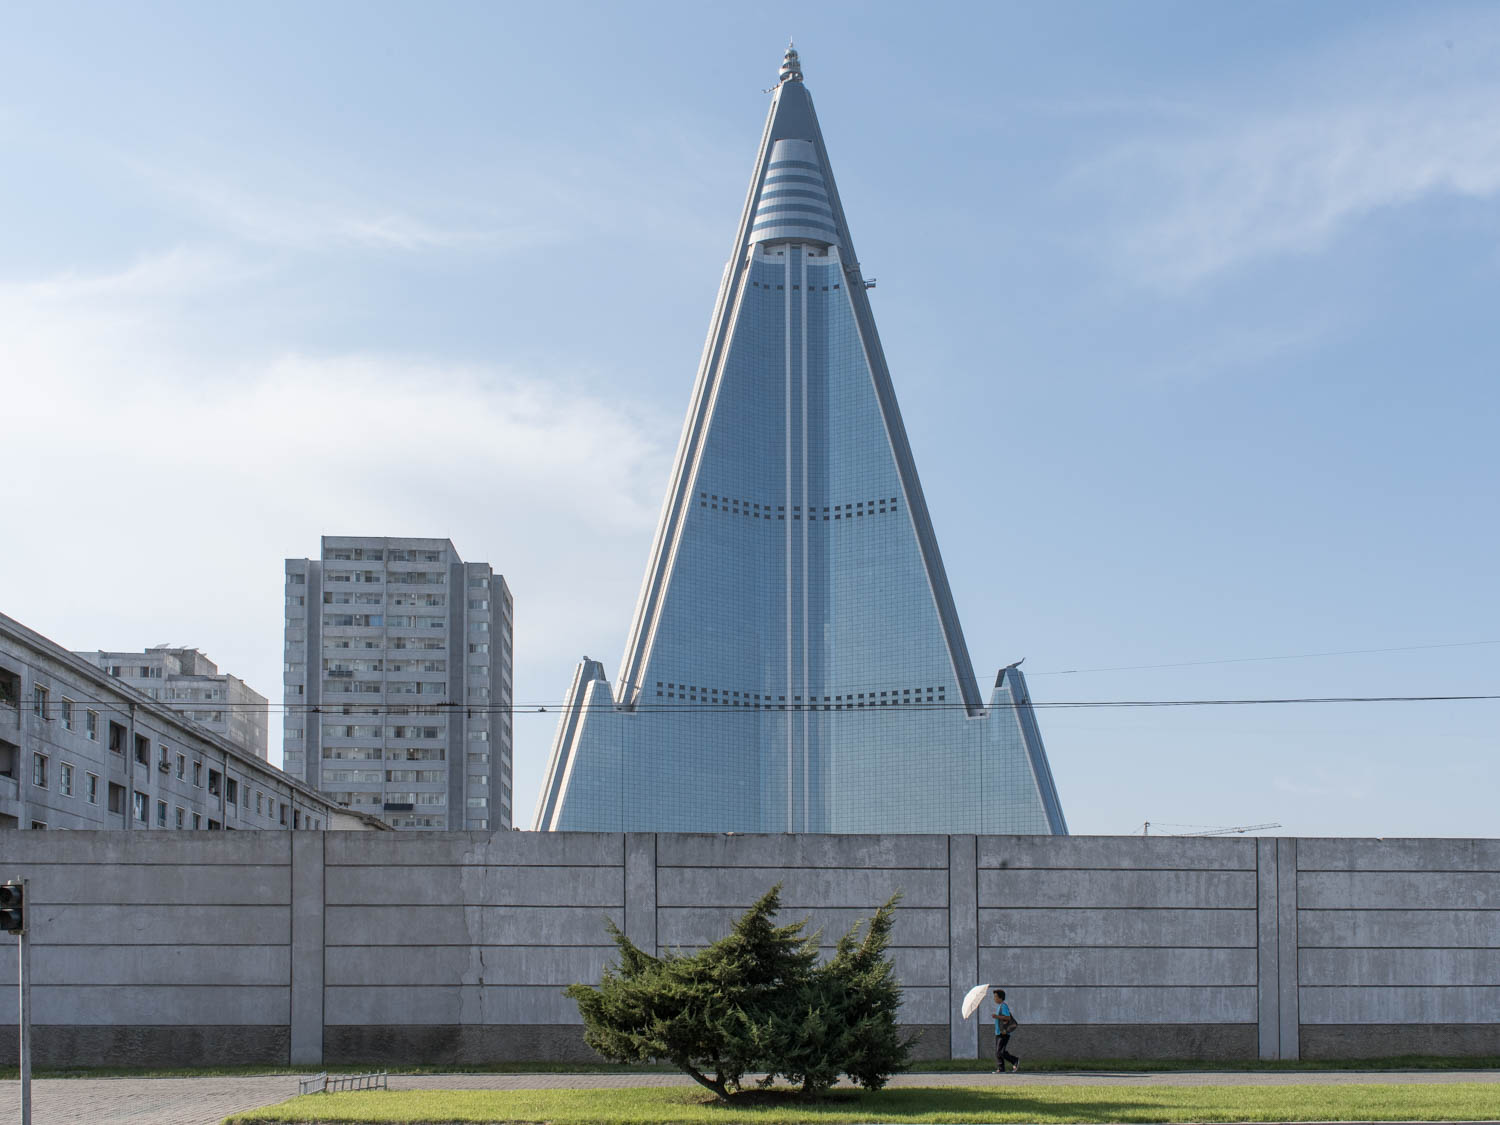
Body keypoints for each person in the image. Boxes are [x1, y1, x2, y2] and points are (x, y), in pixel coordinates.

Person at [992, 988, 1020, 1073]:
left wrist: (996, 1016)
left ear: (1000, 998)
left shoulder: (1003, 1006)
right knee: (999, 1052)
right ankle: (1001, 1068)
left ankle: (1015, 1060)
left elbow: (1007, 1017)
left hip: (1003, 1033)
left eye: (996, 997)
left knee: (1000, 1051)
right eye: (994, 997)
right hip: (999, 1032)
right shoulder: (999, 1006)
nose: (994, 998)